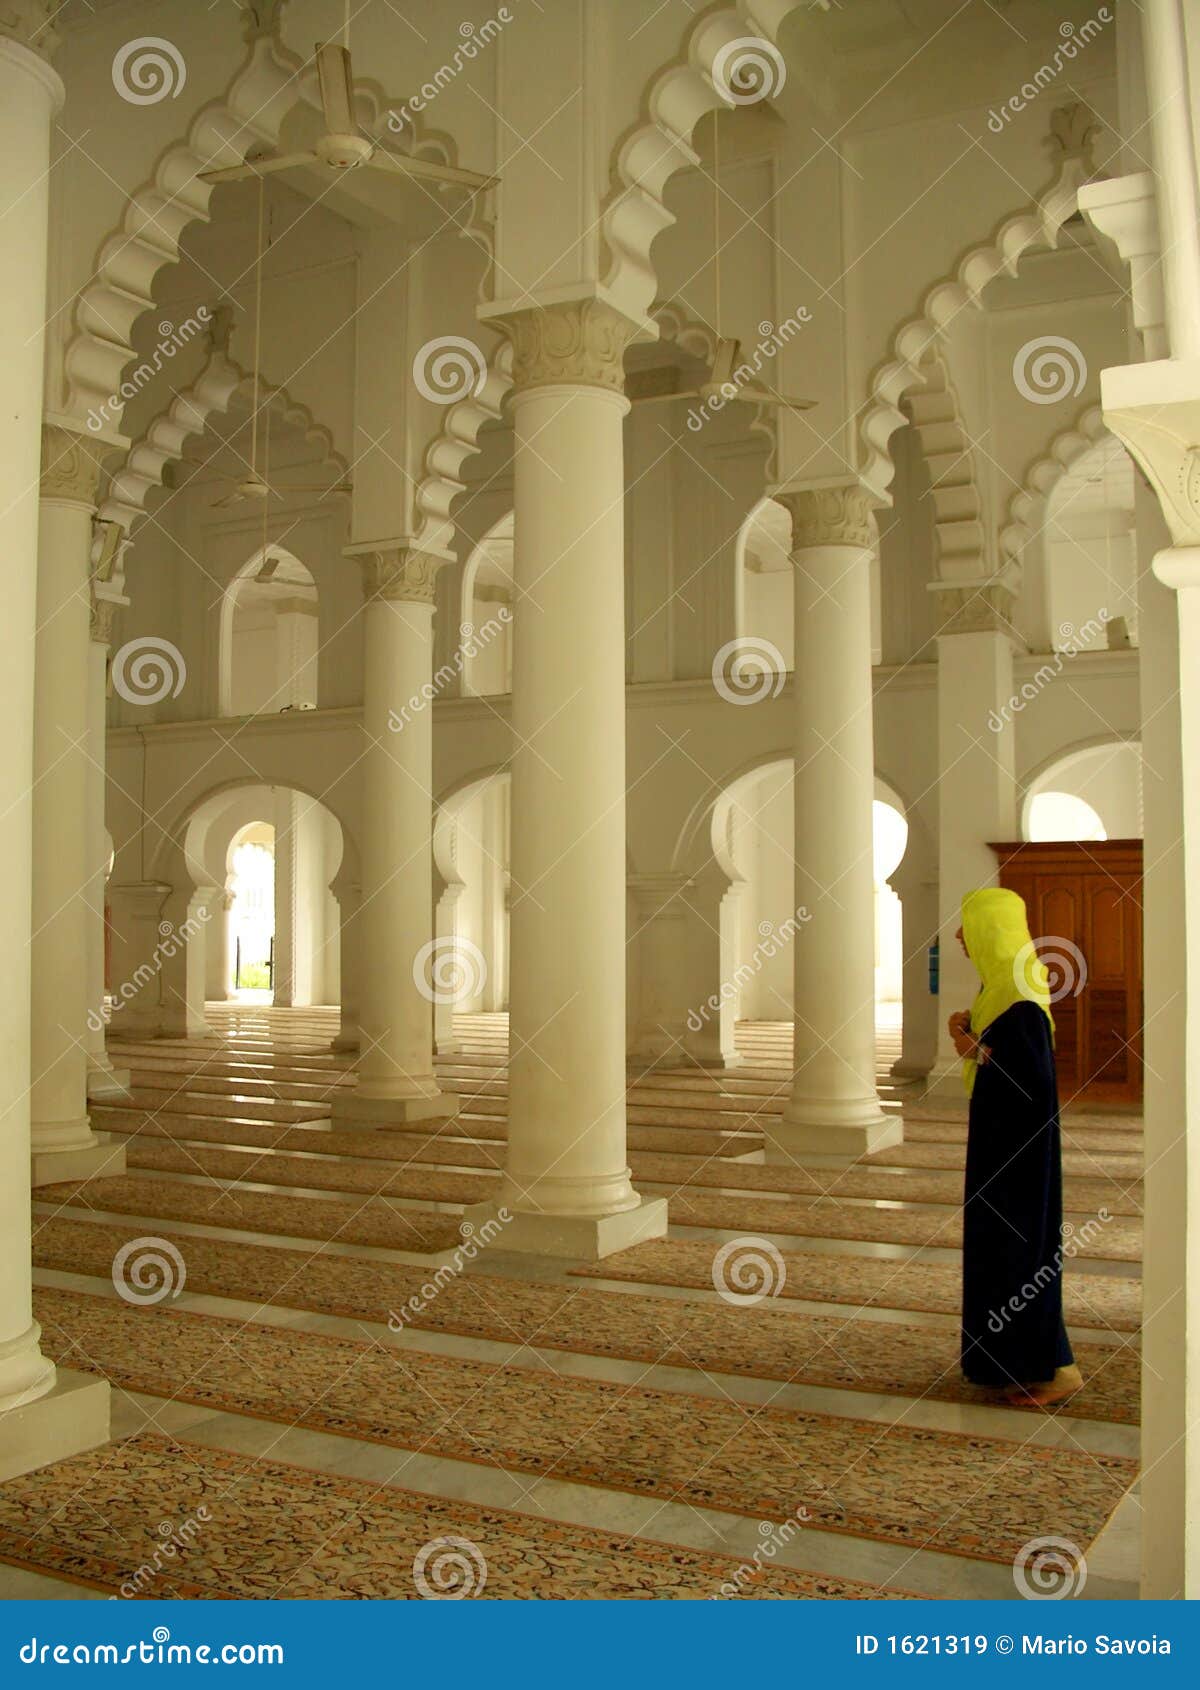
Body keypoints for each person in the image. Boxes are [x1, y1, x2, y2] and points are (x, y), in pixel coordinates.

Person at [947, 887, 1083, 1408]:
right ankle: (1018, 1363)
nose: (960, 936)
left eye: (967, 924)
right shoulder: (1005, 986)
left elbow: (1028, 1080)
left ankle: (1055, 1368)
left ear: (991, 928)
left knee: (1021, 1252)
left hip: (1017, 1154)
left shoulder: (1020, 992)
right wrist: (974, 1035)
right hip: (1003, 1144)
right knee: (1004, 1252)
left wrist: (972, 1048)